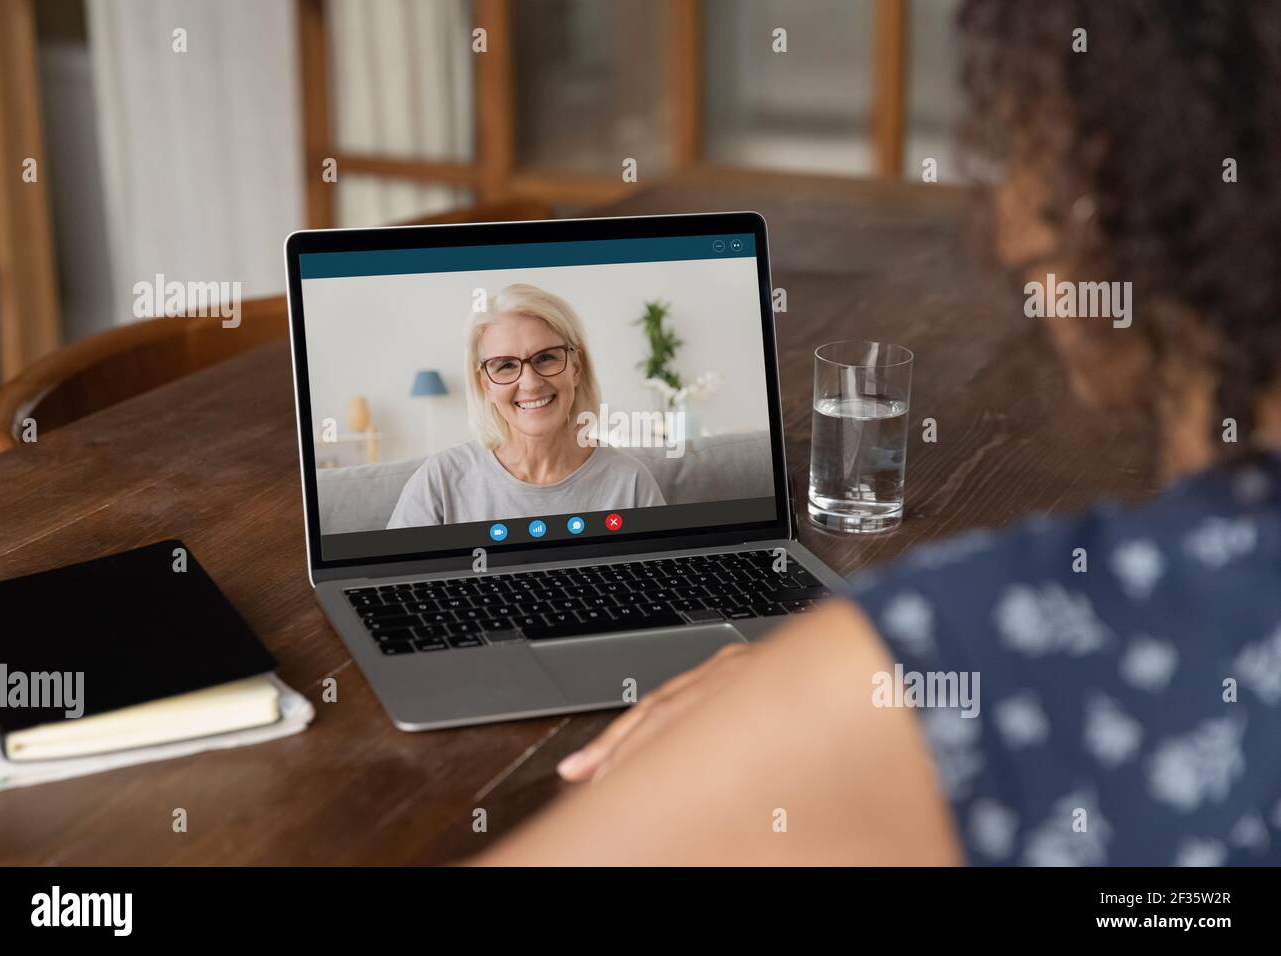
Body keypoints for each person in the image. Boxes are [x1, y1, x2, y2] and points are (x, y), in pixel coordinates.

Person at [476, 0, 1281, 866]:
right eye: (503, 367)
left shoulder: (985, 640)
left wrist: (832, 693)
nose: (1005, 220)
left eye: (1025, 143)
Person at [387, 283, 664, 528]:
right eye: (506, 366)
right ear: (485, 383)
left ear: (576, 367)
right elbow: (394, 581)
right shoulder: (440, 481)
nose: (530, 383)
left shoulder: (630, 482)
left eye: (546, 358)